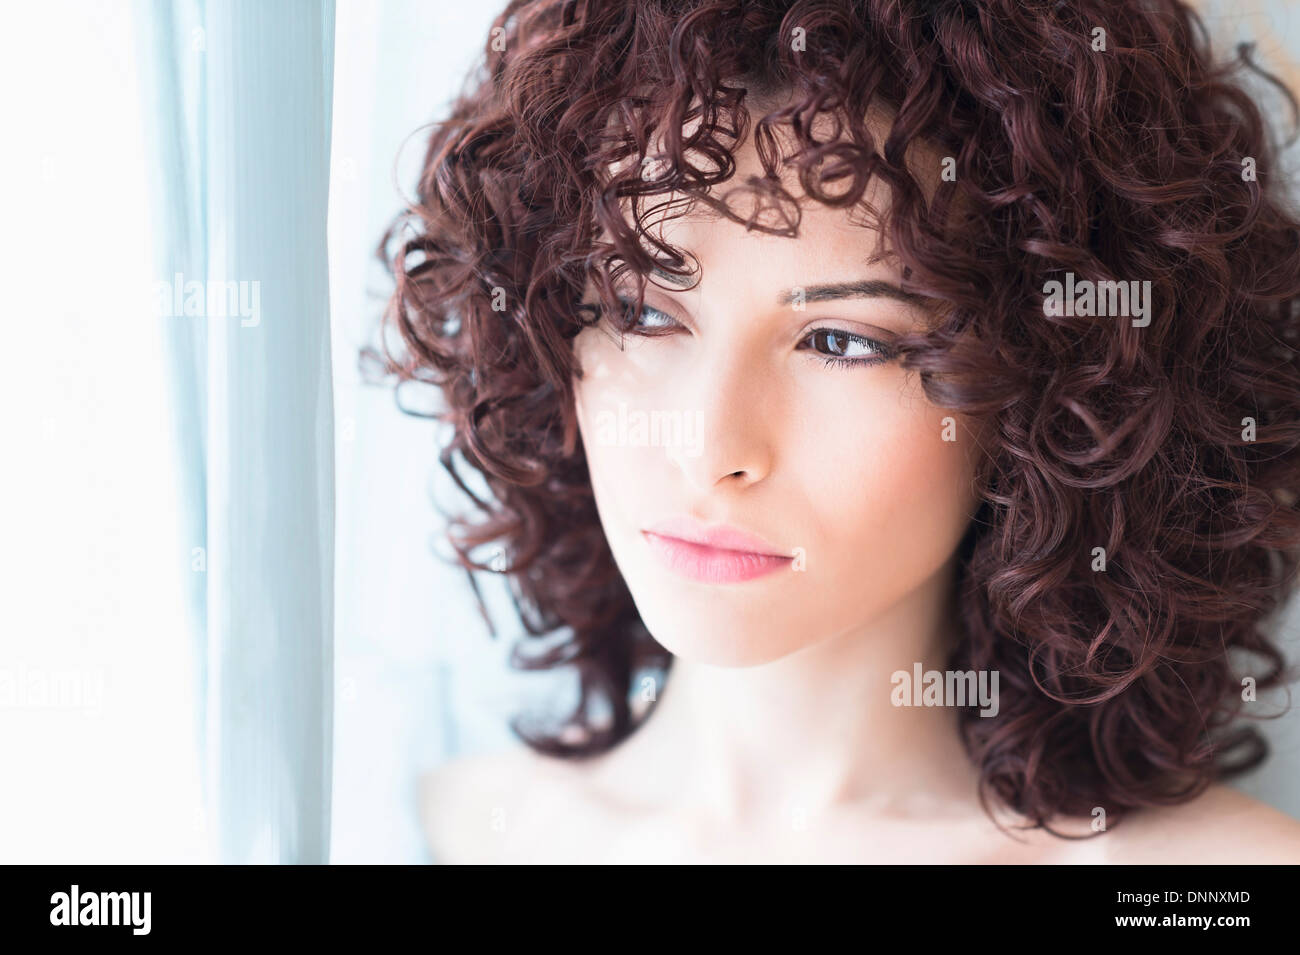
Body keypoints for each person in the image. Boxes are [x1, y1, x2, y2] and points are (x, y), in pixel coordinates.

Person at [372, 0, 1300, 862]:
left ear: (1051, 390)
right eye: (643, 313)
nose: (710, 448)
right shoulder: (417, 830)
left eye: (842, 341)